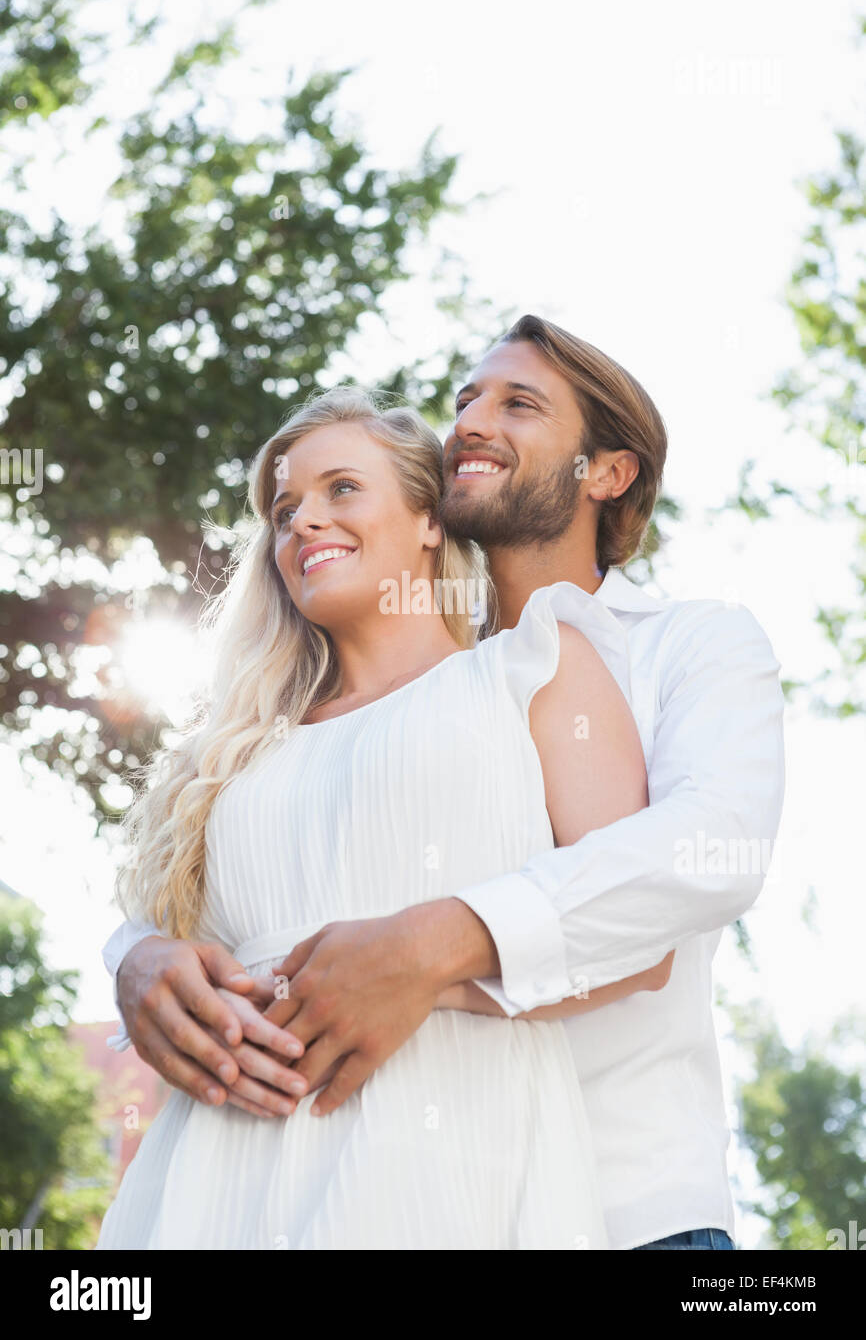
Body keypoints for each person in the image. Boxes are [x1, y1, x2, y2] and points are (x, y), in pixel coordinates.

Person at [104, 315, 785, 1251]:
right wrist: (131, 955)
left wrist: (428, 952)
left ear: (607, 471)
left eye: (518, 402)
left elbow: (707, 850)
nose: (471, 420)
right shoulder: (352, 702)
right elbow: (249, 883)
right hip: (287, 1184)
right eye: (465, 398)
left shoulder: (685, 644)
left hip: (625, 1207)